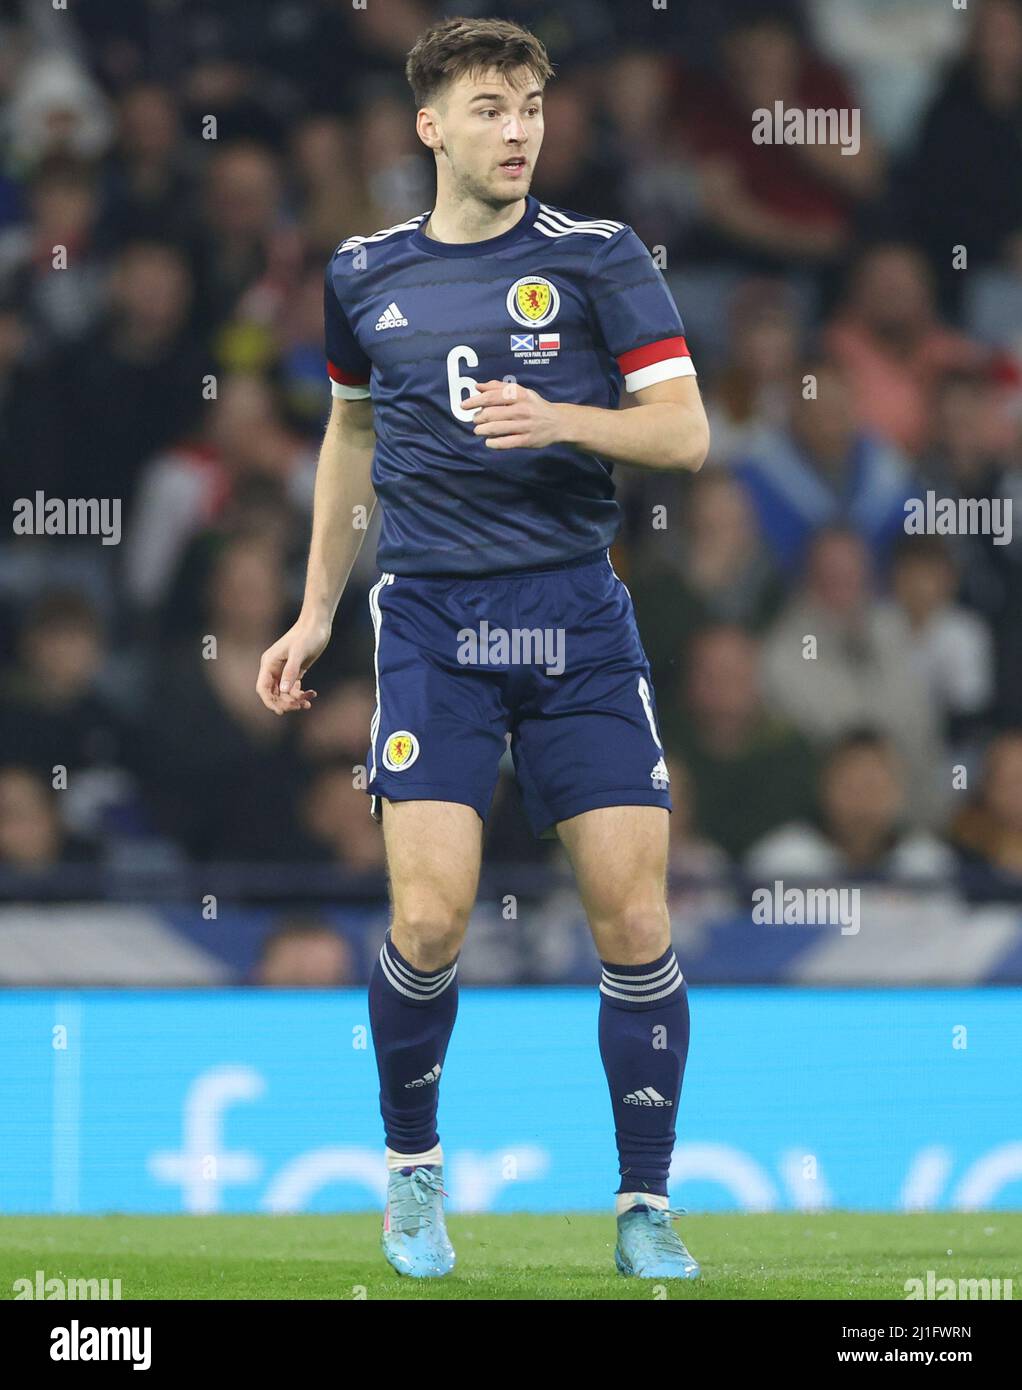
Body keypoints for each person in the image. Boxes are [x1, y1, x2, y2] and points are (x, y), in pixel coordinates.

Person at [256, 16, 710, 1282]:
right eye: (492, 109)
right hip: (432, 624)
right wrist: (311, 612)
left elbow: (682, 436)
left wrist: (560, 416)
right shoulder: (361, 271)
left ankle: (643, 1204)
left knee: (630, 915)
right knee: (429, 912)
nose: (518, 130)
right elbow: (348, 441)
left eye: (530, 107)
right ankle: (410, 1179)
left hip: (575, 614)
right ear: (430, 127)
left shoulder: (599, 257)